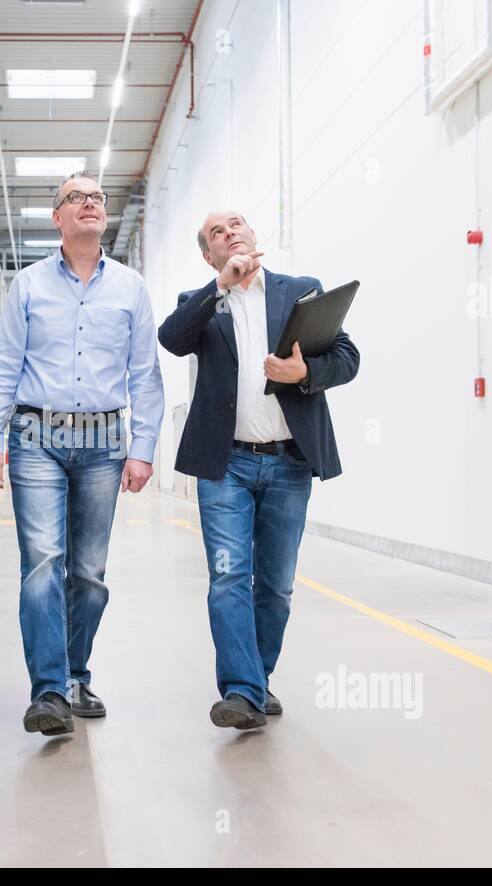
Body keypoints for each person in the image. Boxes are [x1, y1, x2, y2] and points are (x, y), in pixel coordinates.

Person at [0, 171, 164, 736]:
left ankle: (77, 672)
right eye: (76, 198)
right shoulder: (28, 285)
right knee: (41, 564)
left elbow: (146, 375)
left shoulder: (130, 287)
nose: (91, 203)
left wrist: (144, 447)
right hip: (35, 437)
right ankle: (49, 691)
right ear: (57, 218)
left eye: (98, 198)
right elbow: (5, 363)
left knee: (89, 572)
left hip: (105, 441)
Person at [158, 210, 359, 730]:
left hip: (289, 463)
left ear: (253, 235)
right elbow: (172, 338)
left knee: (275, 585)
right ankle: (243, 692)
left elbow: (348, 358)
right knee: (228, 576)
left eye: (236, 225)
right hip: (225, 465)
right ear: (210, 255)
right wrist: (218, 288)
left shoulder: (302, 292)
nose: (230, 233)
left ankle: (257, 679)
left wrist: (305, 372)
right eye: (217, 234)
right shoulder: (202, 303)